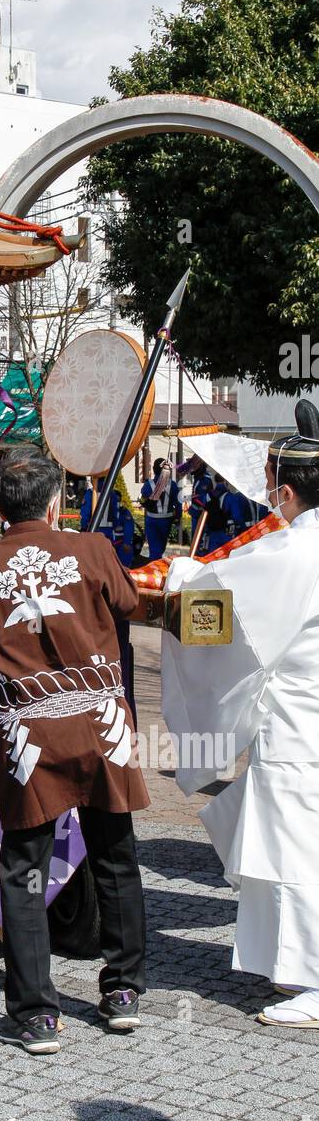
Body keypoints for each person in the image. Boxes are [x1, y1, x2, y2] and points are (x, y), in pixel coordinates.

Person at [0, 447, 150, 1056]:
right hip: (97, 723)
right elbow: (128, 603)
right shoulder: (90, 550)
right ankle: (123, 991)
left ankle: (36, 1013)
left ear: (0, 509)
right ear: (55, 501)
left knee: (25, 866)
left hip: (26, 732)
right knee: (115, 854)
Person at [163, 400, 319, 1029]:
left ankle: (312, 974)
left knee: (298, 848)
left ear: (284, 492)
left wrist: (181, 574)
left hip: (301, 725)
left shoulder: (292, 554)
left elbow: (217, 597)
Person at [140, 458, 182, 561]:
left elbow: (143, 501)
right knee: (161, 547)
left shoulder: (148, 485)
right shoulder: (173, 485)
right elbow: (178, 504)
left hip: (152, 520)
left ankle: (153, 567)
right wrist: (177, 518)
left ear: (154, 469)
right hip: (166, 520)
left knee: (154, 549)